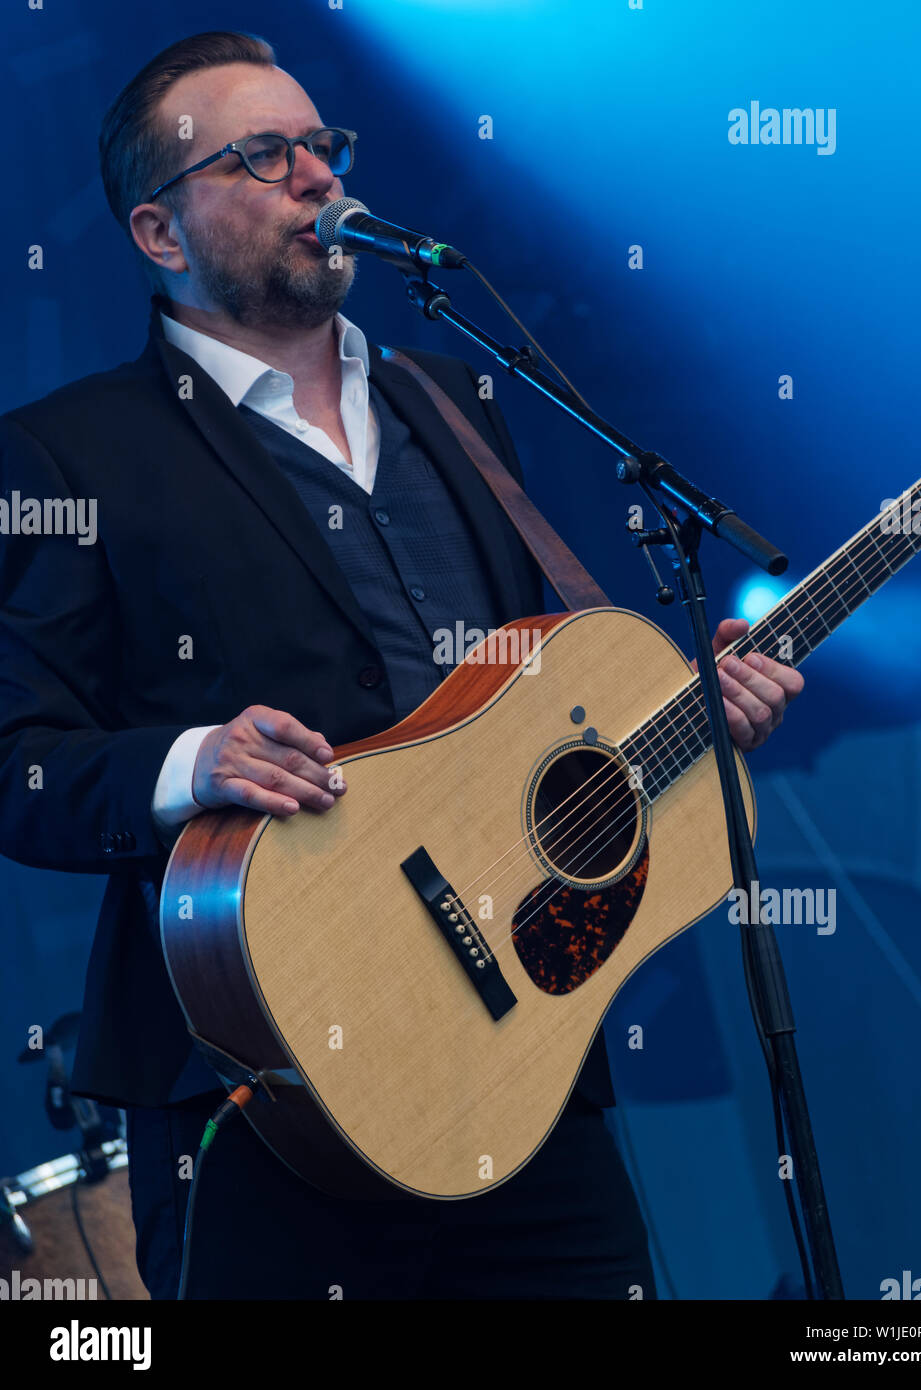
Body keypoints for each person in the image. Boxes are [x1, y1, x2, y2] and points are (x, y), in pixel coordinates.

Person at [0, 31, 804, 1299]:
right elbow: (16, 765)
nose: (317, 175)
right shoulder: (66, 454)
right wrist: (190, 761)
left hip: (519, 1062)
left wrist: (701, 712)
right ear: (161, 233)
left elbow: (520, 731)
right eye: (263, 155)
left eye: (324, 146)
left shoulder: (456, 404)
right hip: (257, 1082)